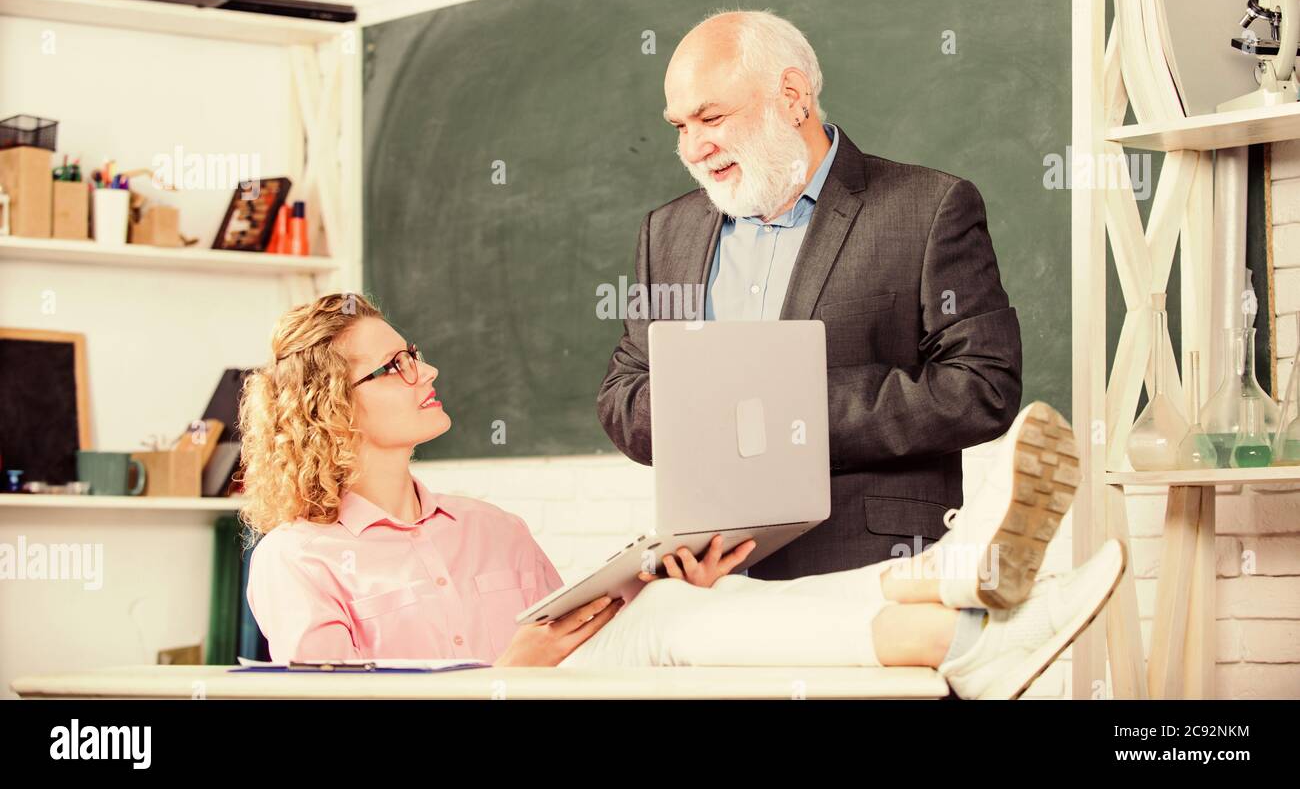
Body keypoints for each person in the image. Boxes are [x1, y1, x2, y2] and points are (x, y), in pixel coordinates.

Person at [241, 293, 1123, 699]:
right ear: (328, 404)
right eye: (395, 365)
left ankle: (960, 609)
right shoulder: (298, 557)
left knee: (672, 601)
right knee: (664, 616)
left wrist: (644, 589)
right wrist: (507, 672)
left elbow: (576, 634)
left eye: (414, 351)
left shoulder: (490, 528)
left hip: (572, 699)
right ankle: (965, 607)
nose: (425, 369)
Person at [598, 10, 1023, 581]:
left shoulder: (929, 207)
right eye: (680, 126)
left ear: (793, 96)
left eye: (712, 117)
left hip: (871, 571)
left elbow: (983, 387)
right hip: (707, 578)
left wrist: (786, 410)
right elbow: (624, 392)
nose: (694, 148)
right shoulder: (667, 232)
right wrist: (706, 410)